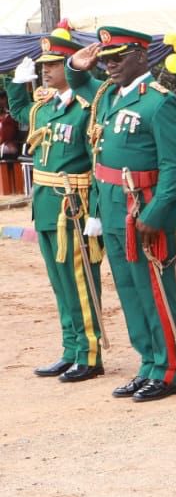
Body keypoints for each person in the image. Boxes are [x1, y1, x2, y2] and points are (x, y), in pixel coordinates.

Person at [67, 28, 176, 401]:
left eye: (118, 57)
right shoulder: (107, 96)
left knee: (153, 289)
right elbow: (79, 83)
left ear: (142, 56)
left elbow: (173, 167)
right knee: (130, 290)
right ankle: (148, 362)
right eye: (106, 58)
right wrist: (75, 64)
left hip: (142, 206)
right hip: (112, 205)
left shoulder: (158, 101)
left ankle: (168, 369)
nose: (110, 65)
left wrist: (157, 211)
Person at [6, 34, 105, 382]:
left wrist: (96, 211)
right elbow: (20, 112)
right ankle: (71, 348)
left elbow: (96, 162)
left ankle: (89, 354)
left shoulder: (86, 105)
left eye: (53, 65)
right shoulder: (45, 105)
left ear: (70, 66)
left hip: (72, 205)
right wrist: (16, 83)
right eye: (43, 65)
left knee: (79, 282)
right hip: (46, 205)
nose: (46, 71)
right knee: (60, 284)